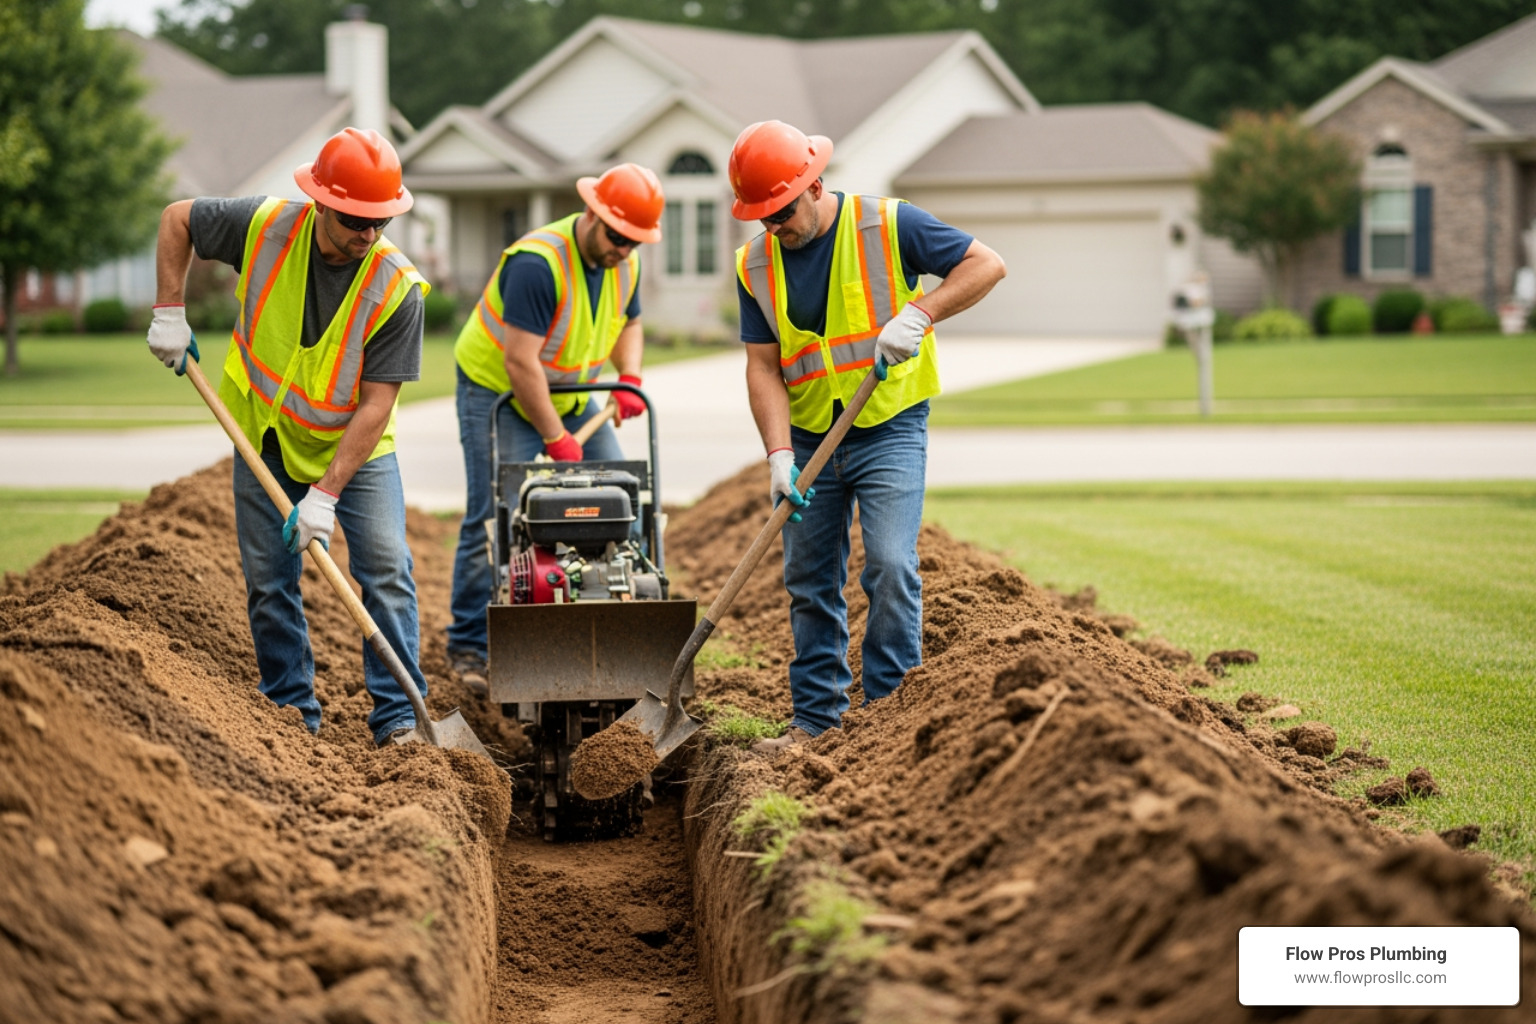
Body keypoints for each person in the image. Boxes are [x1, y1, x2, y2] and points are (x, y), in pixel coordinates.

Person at [146, 127, 432, 748]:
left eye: (381, 220)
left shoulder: (397, 288)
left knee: (385, 569)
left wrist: (326, 494)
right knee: (269, 577)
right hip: (265, 435)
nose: (369, 234)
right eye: (357, 220)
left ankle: (400, 719)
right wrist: (169, 309)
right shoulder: (265, 227)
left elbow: (376, 405)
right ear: (321, 203)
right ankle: (290, 713)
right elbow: (177, 219)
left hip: (354, 446)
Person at [727, 120, 1006, 753]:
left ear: (815, 184)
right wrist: (777, 457)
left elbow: (986, 265)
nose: (775, 227)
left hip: (889, 427)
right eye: (762, 217)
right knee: (809, 579)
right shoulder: (754, 264)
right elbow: (763, 367)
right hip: (806, 437)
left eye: (783, 210)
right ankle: (816, 720)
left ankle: (886, 719)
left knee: (888, 563)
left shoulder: (889, 224)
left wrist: (921, 311)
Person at [445, 164, 665, 692]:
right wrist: (556, 440)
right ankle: (471, 645)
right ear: (592, 214)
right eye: (616, 237)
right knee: (492, 514)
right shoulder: (537, 264)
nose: (622, 250)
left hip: (571, 390)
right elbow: (521, 363)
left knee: (626, 497)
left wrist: (628, 377)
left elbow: (629, 323)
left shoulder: (623, 265)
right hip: (496, 390)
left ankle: (618, 624)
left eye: (634, 242)